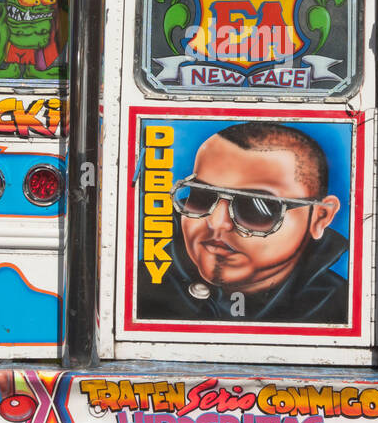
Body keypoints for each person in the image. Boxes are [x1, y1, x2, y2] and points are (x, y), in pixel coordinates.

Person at [136, 122, 348, 323]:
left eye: (257, 207)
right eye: (201, 197)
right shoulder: (137, 286)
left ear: (320, 217)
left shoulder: (340, 305)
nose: (217, 223)